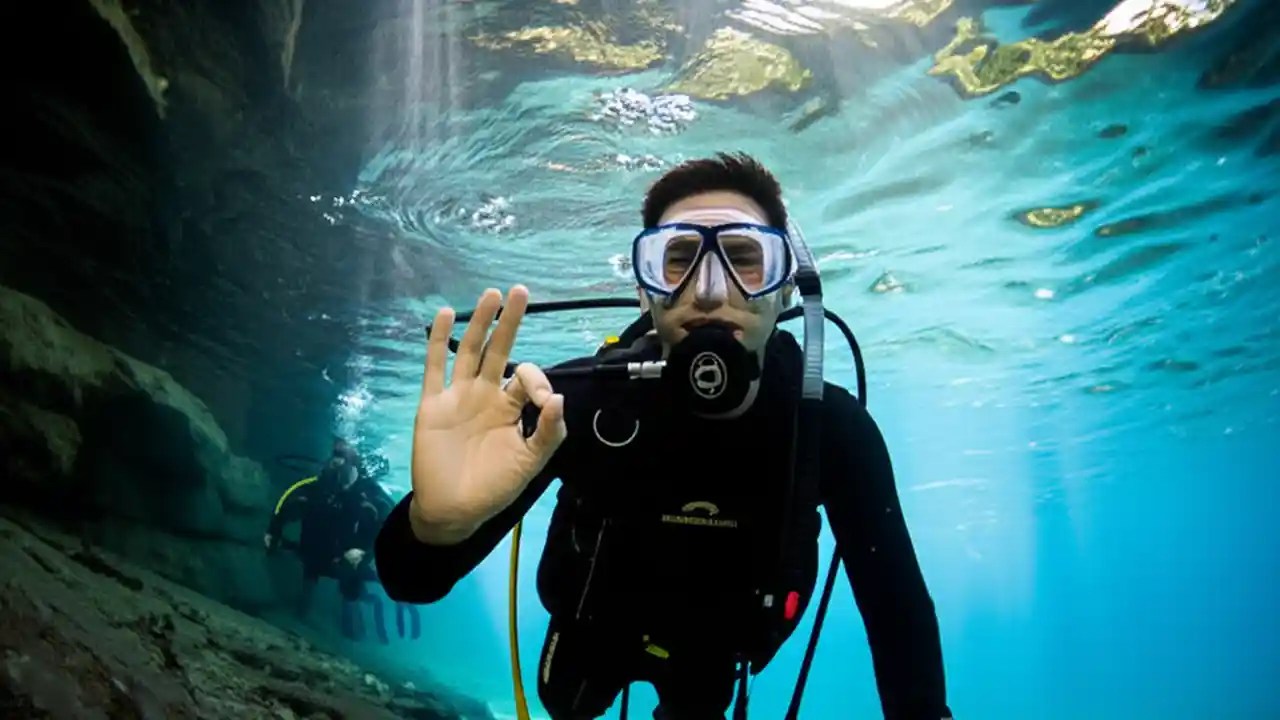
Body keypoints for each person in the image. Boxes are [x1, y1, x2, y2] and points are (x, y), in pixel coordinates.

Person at [374, 152, 953, 719]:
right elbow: (411, 579)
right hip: (593, 630)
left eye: (745, 257)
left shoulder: (831, 430)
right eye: (676, 258)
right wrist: (435, 526)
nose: (707, 290)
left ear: (784, 290)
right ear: (645, 290)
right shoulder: (569, 405)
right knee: (564, 702)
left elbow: (894, 608)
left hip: (712, 654)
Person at [266, 438, 420, 643]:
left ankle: (360, 625)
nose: (338, 471)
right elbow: (287, 506)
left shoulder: (368, 495)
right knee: (315, 576)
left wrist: (364, 552)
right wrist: (273, 531)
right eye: (334, 462)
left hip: (347, 562)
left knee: (351, 590)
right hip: (315, 555)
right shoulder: (318, 488)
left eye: (344, 464)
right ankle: (304, 617)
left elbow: (390, 529)